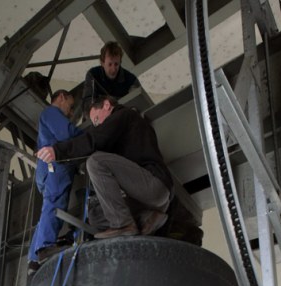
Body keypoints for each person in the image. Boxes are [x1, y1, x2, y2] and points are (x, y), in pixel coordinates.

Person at [36, 96, 173, 239]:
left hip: (153, 186)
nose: (98, 125)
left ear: (107, 105)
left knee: (95, 162)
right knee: (95, 216)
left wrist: (58, 151)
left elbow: (94, 139)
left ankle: (123, 224)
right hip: (149, 201)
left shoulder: (124, 115)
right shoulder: (124, 137)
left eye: (96, 119)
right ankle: (147, 217)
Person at [28, 89, 82, 266]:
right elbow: (66, 133)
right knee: (54, 202)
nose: (71, 112)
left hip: (48, 171)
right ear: (61, 97)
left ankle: (34, 258)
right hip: (55, 167)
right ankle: (44, 247)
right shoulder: (52, 112)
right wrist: (87, 137)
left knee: (49, 206)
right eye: (71, 106)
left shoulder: (46, 117)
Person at [82, 41, 140, 115]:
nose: (113, 69)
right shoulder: (93, 75)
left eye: (116, 64)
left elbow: (138, 102)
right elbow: (87, 104)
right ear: (102, 62)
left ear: (120, 62)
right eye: (110, 64)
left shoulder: (131, 80)